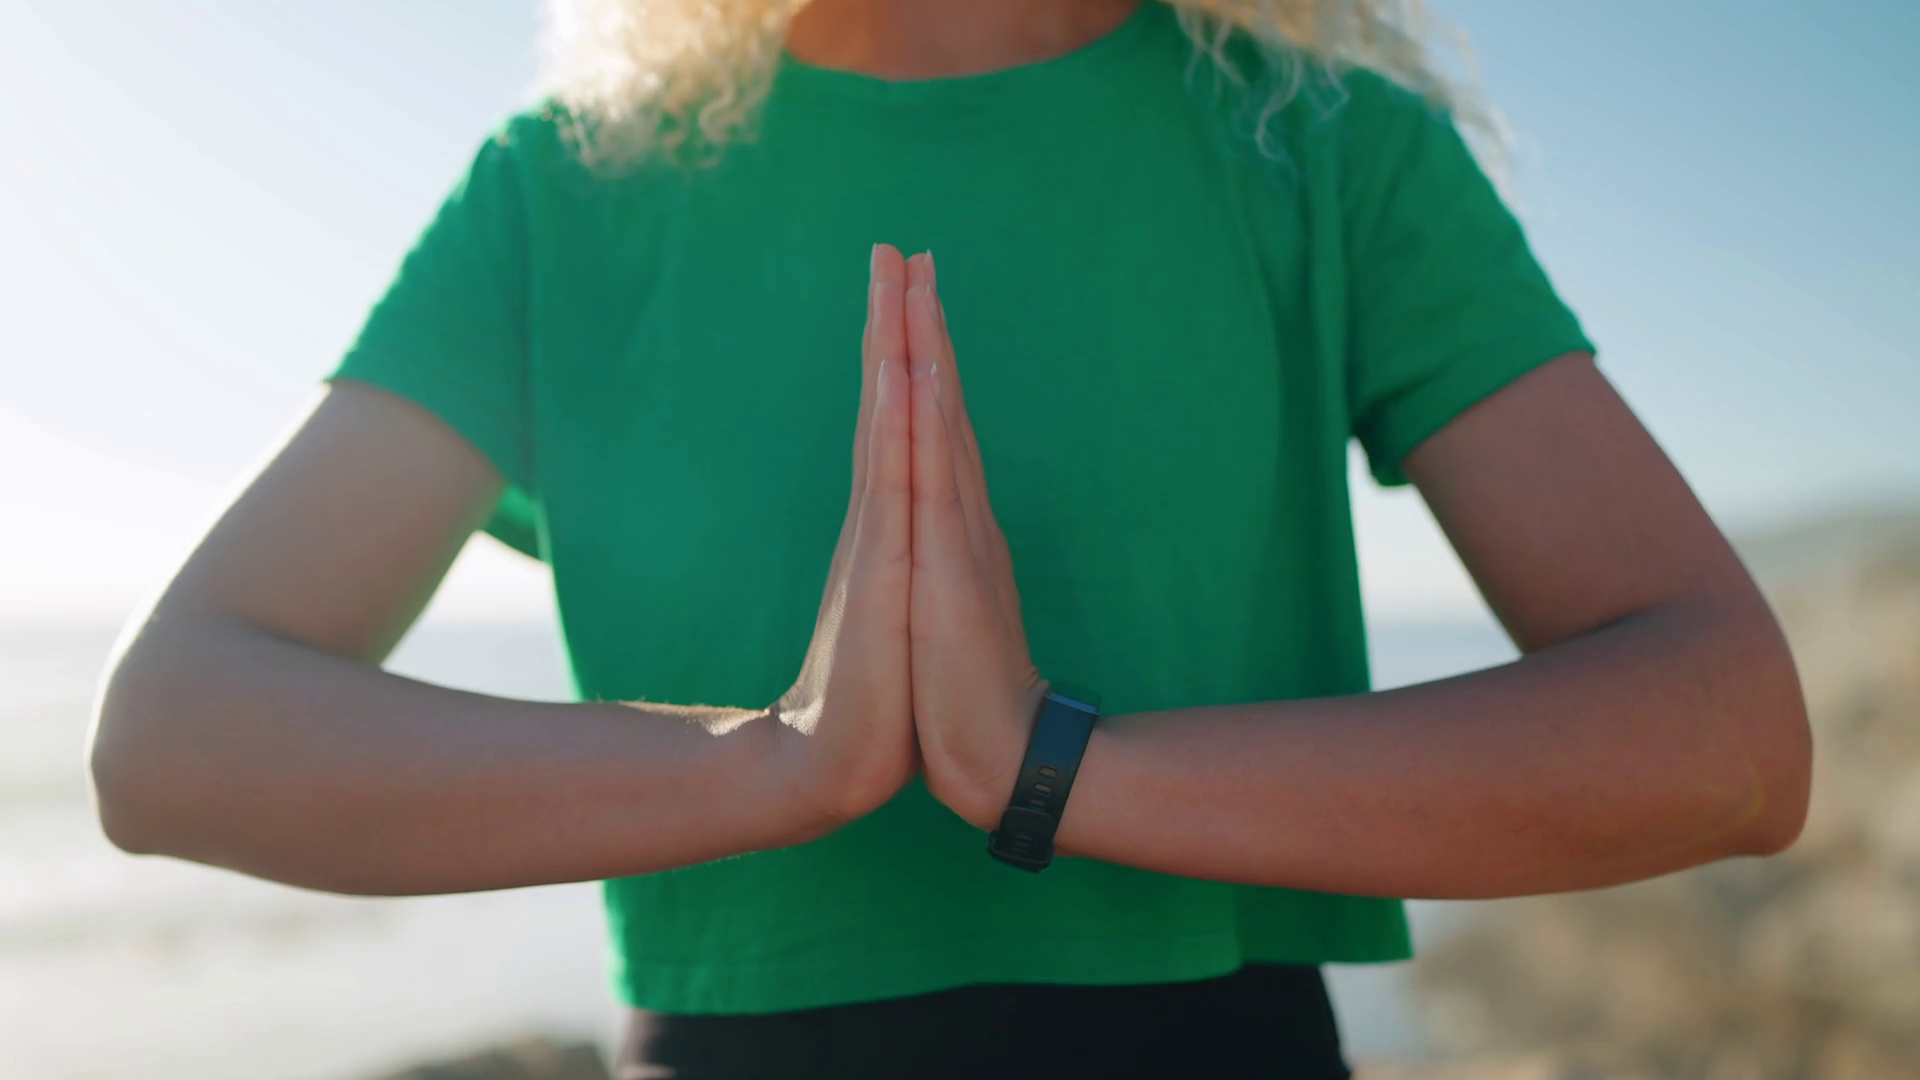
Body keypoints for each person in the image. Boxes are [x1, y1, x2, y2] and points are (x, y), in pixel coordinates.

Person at [87, 1, 1813, 1076]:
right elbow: (178, 739)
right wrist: (782, 766)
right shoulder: (567, 189)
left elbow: (1727, 742)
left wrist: (1046, 766)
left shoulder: (1326, 154)